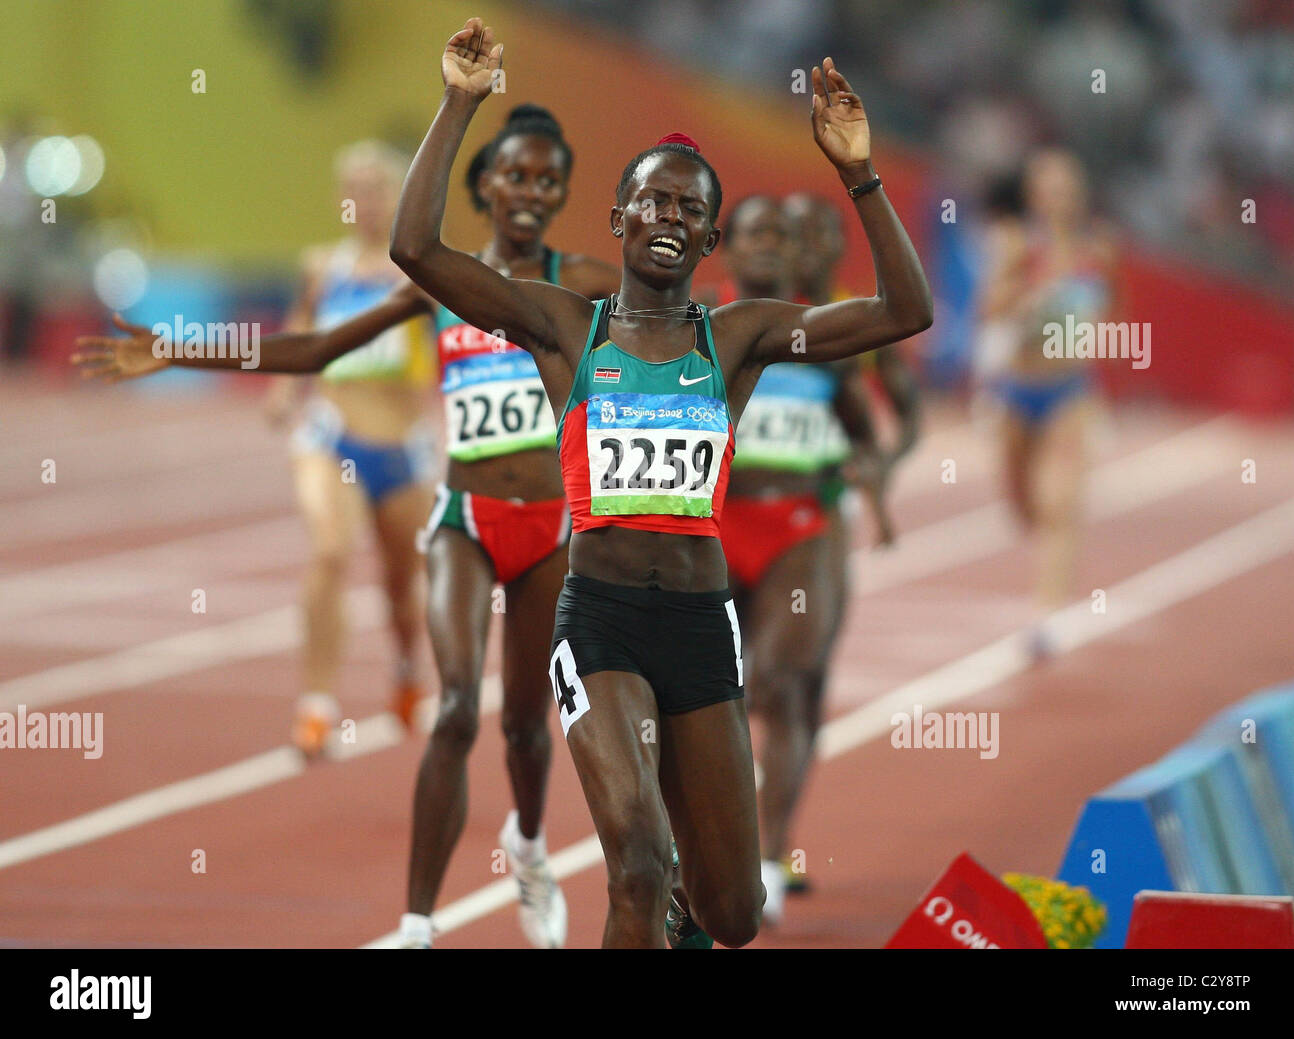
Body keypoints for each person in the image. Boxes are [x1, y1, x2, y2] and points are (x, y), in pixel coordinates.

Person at [387, 17, 931, 949]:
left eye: (689, 210)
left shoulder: (743, 336)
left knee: (733, 915)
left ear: (711, 234)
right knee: (635, 858)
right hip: (596, 618)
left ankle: (684, 913)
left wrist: (859, 174)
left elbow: (904, 312)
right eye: (653, 203)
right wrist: (458, 104)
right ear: (618, 218)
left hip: (699, 624)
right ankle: (648, 901)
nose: (670, 219)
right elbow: (418, 251)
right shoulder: (566, 327)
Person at [72, 103, 621, 949]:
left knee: (523, 721)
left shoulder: (582, 282)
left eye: (548, 179)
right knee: (454, 711)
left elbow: (667, 335)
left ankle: (532, 848)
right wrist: (182, 349)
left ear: (561, 195)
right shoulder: (442, 282)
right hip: (465, 516)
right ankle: (415, 921)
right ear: (485, 186)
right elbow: (318, 350)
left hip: (550, 525)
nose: (530, 190)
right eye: (514, 173)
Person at [716, 194, 922, 925]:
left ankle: (769, 855)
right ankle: (730, 841)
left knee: (783, 679)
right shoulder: (700, 328)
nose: (783, 247)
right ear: (727, 247)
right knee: (719, 693)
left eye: (791, 235)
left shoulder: (828, 331)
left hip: (803, 522)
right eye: (764, 233)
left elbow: (876, 428)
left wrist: (874, 467)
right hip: (714, 525)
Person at [265, 140, 437, 758]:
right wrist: (286, 394)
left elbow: (453, 348)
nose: (364, 200)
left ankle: (407, 667)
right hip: (330, 434)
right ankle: (316, 705)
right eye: (355, 188)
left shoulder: (423, 273)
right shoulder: (322, 266)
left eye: (377, 188)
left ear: (397, 197)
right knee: (331, 552)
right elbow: (301, 333)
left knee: (400, 584)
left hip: (401, 447)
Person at [977, 148, 1115, 658]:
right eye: (1048, 189)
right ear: (1034, 195)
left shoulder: (1098, 246)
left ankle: (1046, 616)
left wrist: (1089, 327)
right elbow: (987, 309)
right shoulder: (1014, 243)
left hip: (1069, 390)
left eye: (1066, 189)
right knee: (1022, 506)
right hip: (1016, 389)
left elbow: (1114, 305)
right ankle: (1046, 588)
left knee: (1061, 506)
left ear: (1078, 195)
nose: (1058, 198)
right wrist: (1029, 288)